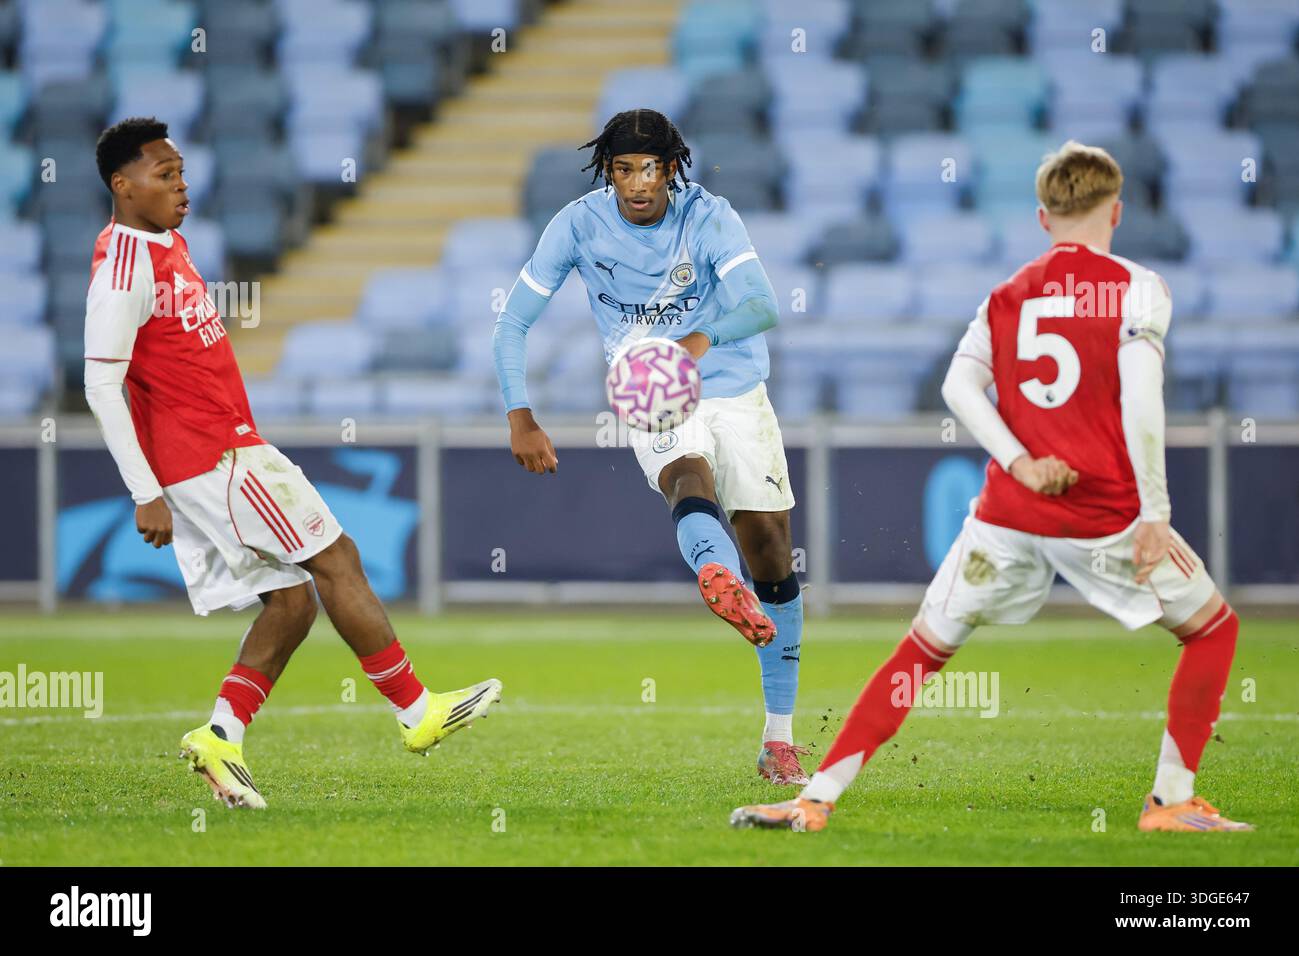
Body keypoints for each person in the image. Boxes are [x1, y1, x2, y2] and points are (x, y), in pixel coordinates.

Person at [731, 141, 1252, 832]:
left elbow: (959, 386)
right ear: (1117, 212)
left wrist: (1021, 460)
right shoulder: (1138, 286)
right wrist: (1155, 510)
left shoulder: (1008, 294)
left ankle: (815, 798)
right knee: (1214, 630)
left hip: (1009, 512)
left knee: (918, 654)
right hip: (1104, 516)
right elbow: (1142, 399)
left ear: (1043, 219)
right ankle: (1170, 800)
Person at [83, 117, 501, 809]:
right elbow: (101, 383)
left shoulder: (167, 243)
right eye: (164, 175)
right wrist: (144, 491)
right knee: (336, 558)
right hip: (215, 455)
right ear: (122, 187)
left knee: (293, 600)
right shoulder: (125, 267)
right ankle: (415, 711)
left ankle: (221, 736)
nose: (181, 184)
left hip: (223, 448)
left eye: (182, 170)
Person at [492, 109, 808, 785]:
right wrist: (520, 414)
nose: (638, 184)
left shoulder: (709, 215)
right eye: (624, 169)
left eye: (650, 168)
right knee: (686, 477)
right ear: (608, 171)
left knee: (772, 552)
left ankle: (778, 736)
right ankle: (715, 579)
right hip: (650, 389)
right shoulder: (578, 224)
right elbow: (513, 321)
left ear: (672, 168)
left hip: (735, 382)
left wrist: (697, 342)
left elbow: (762, 304)